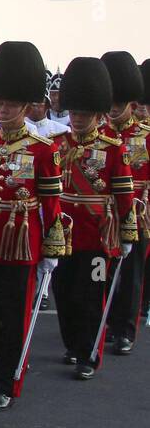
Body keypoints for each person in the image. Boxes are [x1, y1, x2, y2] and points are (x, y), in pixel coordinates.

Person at [0, 41, 64, 412]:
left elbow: (51, 203)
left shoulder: (43, 149)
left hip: (22, 238)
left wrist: (52, 247)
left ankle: (7, 381)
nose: (2, 110)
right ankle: (10, 358)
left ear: (25, 105)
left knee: (15, 312)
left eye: (9, 104)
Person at [51, 57, 135, 378]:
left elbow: (124, 195)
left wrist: (127, 234)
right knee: (64, 292)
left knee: (91, 297)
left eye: (83, 114)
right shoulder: (59, 144)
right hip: (65, 235)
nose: (77, 119)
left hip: (97, 237)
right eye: (74, 113)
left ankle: (90, 354)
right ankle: (73, 345)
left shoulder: (114, 149)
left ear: (98, 115)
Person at [103, 51, 149, 353]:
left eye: (118, 105)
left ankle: (126, 330)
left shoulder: (145, 135)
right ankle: (107, 322)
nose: (113, 109)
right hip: (105, 211)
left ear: (131, 104)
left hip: (137, 208)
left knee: (131, 272)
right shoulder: (100, 135)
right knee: (104, 271)